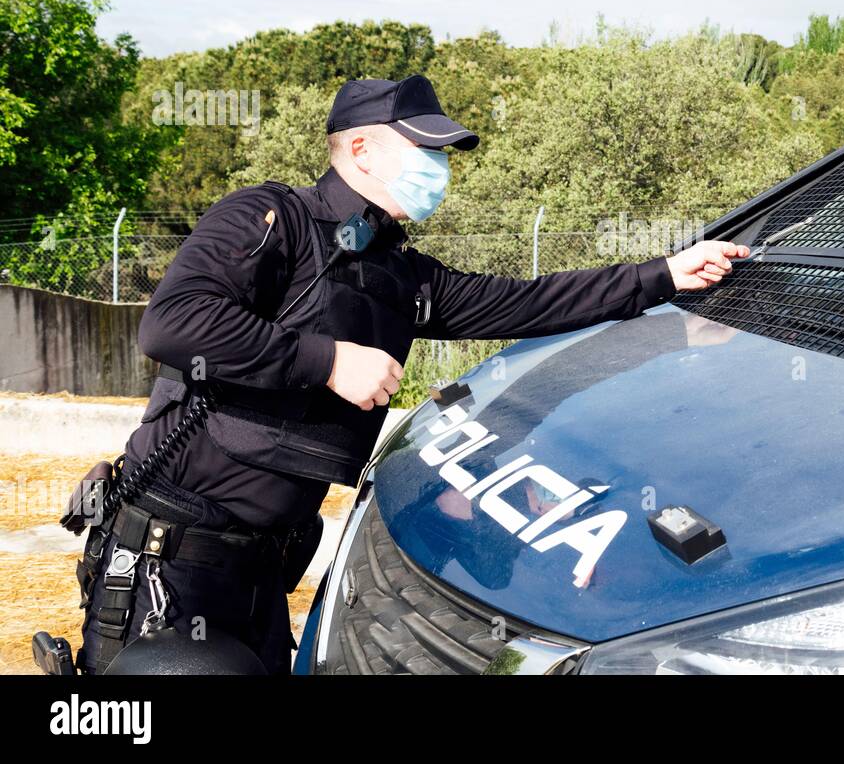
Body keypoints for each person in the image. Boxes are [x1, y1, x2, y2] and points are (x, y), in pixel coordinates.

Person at [72, 73, 748, 674]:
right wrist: (329, 360)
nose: (439, 167)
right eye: (424, 150)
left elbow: (528, 300)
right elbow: (173, 324)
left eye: (442, 153)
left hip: (262, 575)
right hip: (171, 565)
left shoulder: (400, 272)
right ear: (361, 150)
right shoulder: (271, 218)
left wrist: (662, 276)